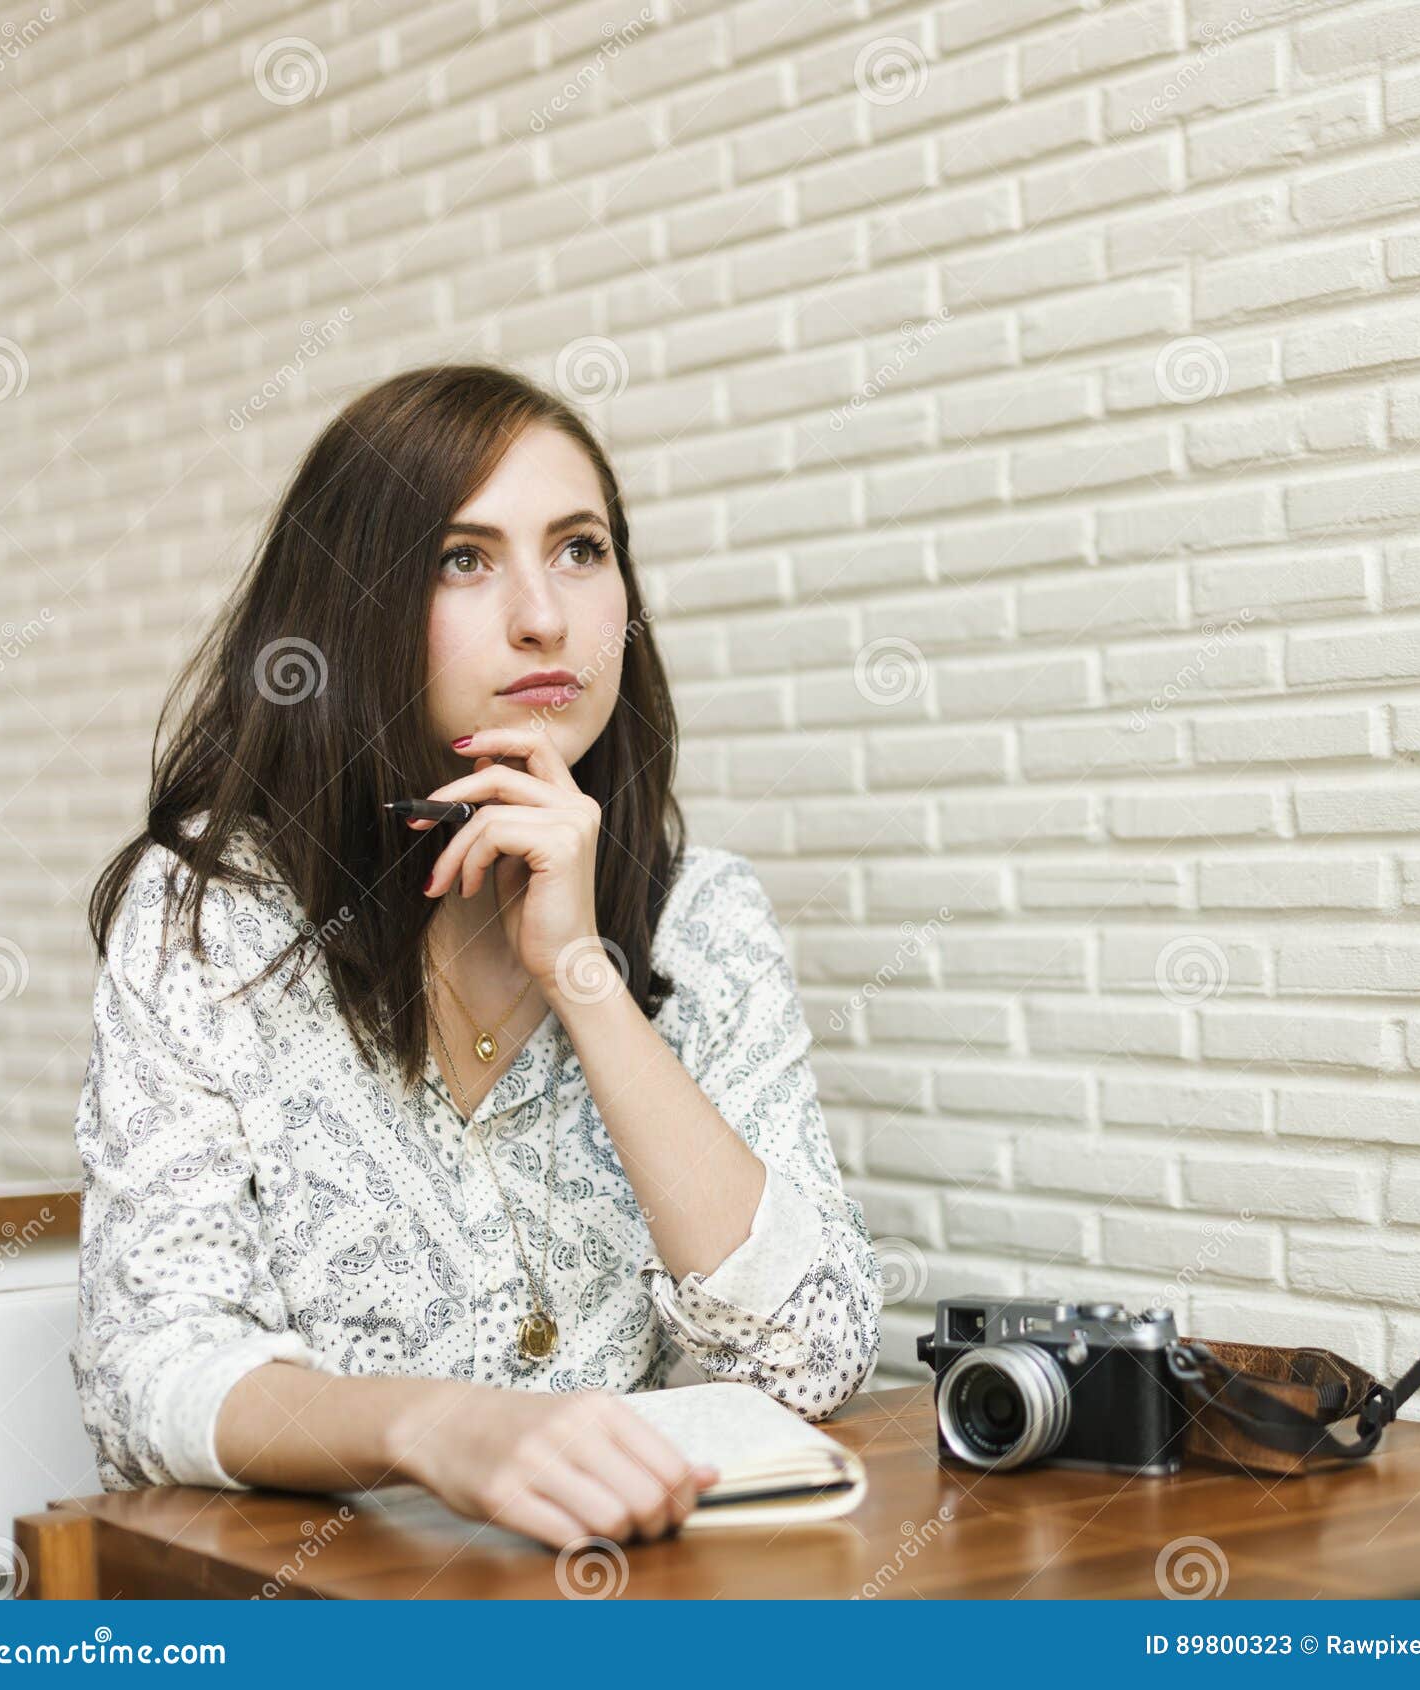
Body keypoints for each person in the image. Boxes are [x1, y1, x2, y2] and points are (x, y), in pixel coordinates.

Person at [70, 363, 884, 1552]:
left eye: (579, 549)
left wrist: (584, 977)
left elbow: (809, 1354)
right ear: (350, 605)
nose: (542, 615)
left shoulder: (704, 913)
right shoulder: (213, 910)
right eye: (463, 557)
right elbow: (151, 1369)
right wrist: (437, 1427)